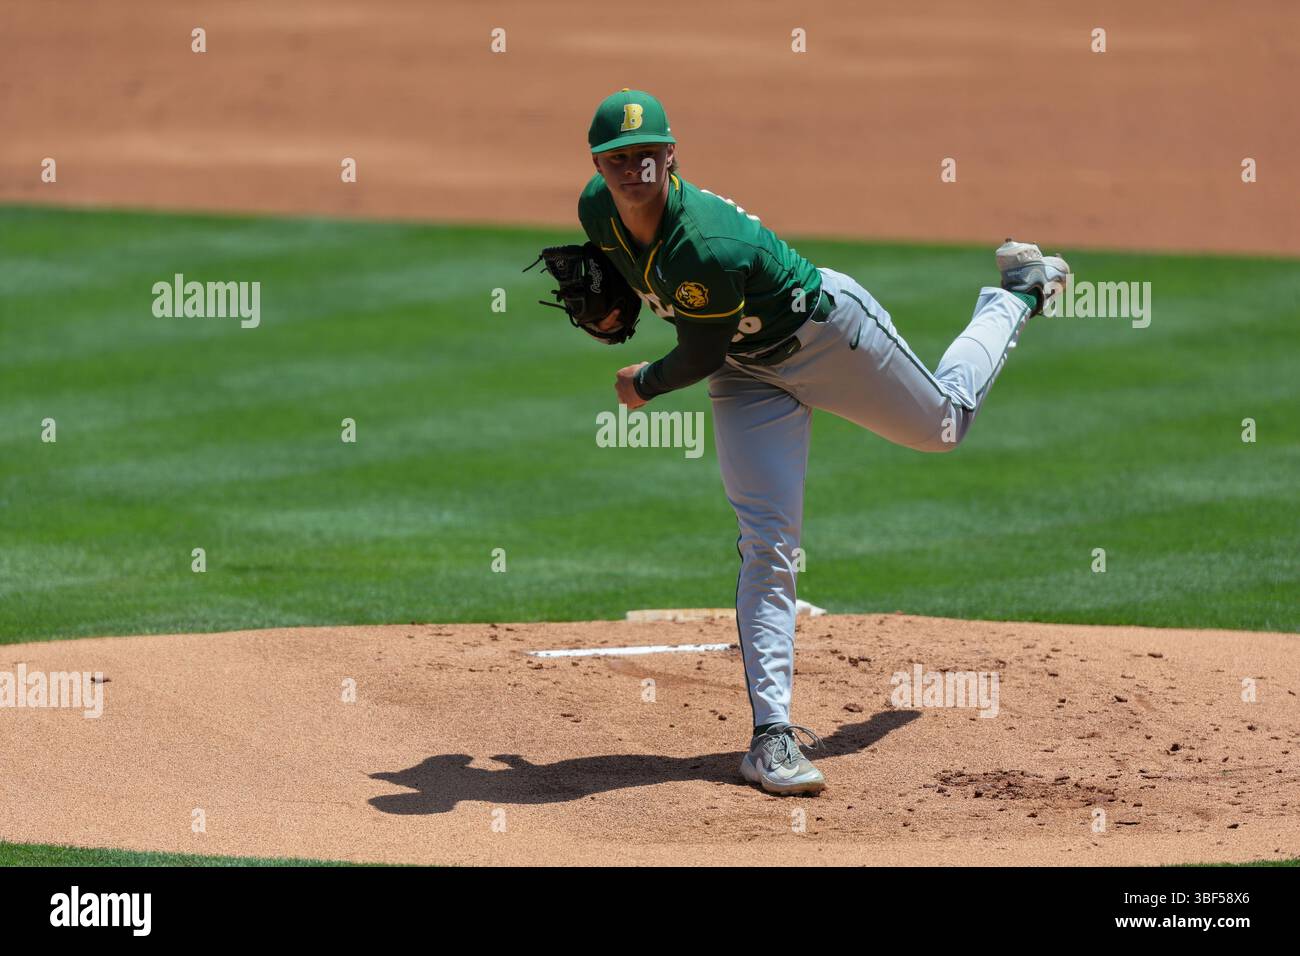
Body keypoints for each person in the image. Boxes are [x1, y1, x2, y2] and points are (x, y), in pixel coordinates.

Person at [577, 89, 1069, 795]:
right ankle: (770, 737)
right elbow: (649, 285)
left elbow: (699, 354)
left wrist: (643, 383)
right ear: (598, 162)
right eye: (618, 159)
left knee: (944, 427)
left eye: (646, 156)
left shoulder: (707, 242)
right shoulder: (597, 208)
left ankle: (1015, 295)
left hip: (830, 340)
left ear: (670, 158)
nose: (632, 171)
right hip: (751, 378)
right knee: (767, 540)